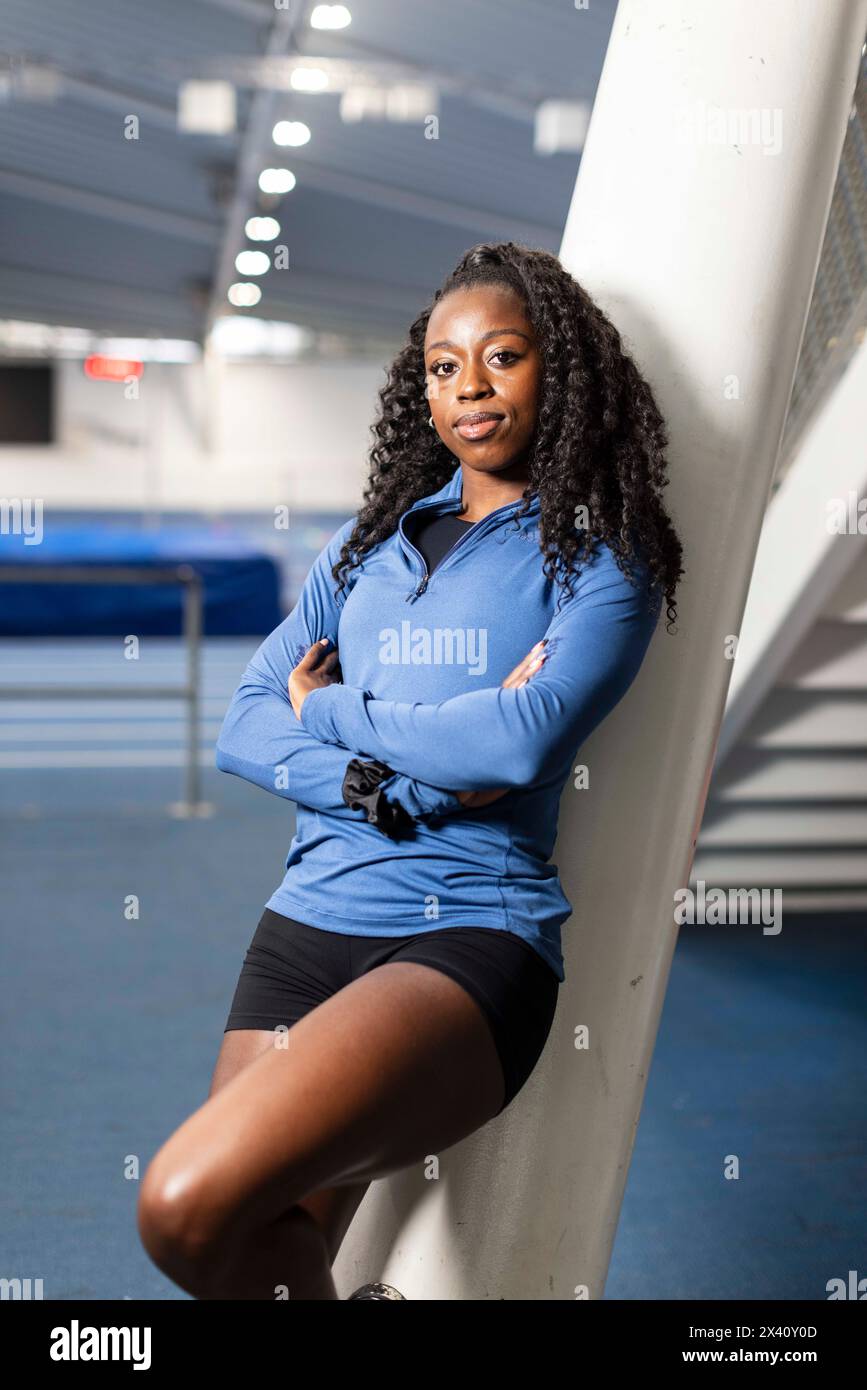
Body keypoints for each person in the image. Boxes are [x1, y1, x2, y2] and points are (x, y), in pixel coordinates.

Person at [137, 241, 684, 1301]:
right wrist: (382, 782)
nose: (469, 386)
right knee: (225, 1242)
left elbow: (518, 744)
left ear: (556, 375)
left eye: (503, 356)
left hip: (468, 937)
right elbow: (246, 723)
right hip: (304, 923)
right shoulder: (364, 547)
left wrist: (332, 709)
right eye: (443, 365)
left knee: (181, 1200)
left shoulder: (600, 562)